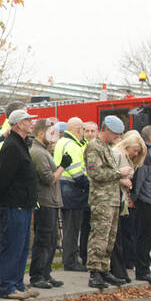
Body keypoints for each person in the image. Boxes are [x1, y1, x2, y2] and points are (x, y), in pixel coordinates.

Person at [0, 109, 39, 300]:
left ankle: (18, 283)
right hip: (14, 204)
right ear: (19, 124)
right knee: (12, 245)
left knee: (21, 246)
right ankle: (7, 286)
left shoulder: (21, 144)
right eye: (28, 120)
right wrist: (0, 202)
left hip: (24, 203)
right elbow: (5, 177)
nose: (31, 123)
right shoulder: (11, 146)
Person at [84, 116, 132, 289]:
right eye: (115, 134)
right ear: (106, 130)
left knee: (110, 237)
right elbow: (95, 173)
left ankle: (104, 269)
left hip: (111, 198)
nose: (117, 138)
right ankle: (95, 272)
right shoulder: (94, 148)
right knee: (99, 236)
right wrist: (119, 173)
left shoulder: (106, 148)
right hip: (101, 199)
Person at [29, 118, 65, 290]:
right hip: (44, 201)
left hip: (51, 201)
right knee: (44, 239)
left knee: (51, 240)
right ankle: (37, 275)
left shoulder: (44, 151)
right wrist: (62, 167)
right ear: (41, 133)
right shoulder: (38, 153)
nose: (54, 138)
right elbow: (49, 179)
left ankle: (46, 273)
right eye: (51, 133)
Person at [130, 130, 151, 282]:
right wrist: (135, 198)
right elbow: (140, 178)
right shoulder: (147, 156)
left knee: (149, 237)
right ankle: (142, 270)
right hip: (146, 202)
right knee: (144, 237)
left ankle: (145, 268)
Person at [110, 131, 145, 285]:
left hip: (121, 199)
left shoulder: (124, 156)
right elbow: (105, 175)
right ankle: (117, 270)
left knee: (120, 236)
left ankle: (120, 270)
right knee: (115, 237)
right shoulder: (117, 155)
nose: (135, 154)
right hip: (113, 199)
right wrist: (121, 179)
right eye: (134, 150)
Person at [55, 116, 89, 271]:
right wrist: (89, 186)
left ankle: (69, 259)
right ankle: (70, 261)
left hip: (62, 189)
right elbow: (77, 173)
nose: (84, 133)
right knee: (72, 229)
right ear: (78, 129)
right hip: (72, 191)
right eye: (83, 129)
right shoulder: (72, 145)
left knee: (68, 227)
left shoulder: (61, 142)